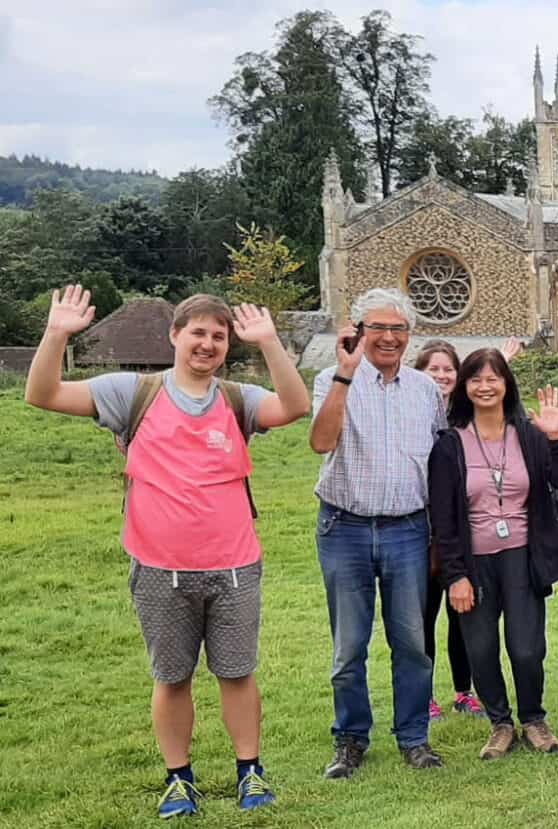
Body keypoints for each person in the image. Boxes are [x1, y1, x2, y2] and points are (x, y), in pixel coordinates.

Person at [24, 287, 310, 817]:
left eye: (218, 336)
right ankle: (179, 779)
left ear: (228, 346)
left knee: (237, 672)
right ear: (175, 335)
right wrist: (57, 332)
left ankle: (250, 772)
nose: (207, 344)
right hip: (159, 568)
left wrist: (270, 343)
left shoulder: (236, 399)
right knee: (172, 676)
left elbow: (294, 406)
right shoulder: (131, 391)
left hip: (234, 564)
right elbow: (42, 394)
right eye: (197, 332)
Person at [310, 288, 448, 778]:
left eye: (398, 329)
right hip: (344, 527)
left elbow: (438, 466)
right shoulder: (332, 378)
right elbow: (321, 441)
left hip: (408, 530)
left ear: (410, 337)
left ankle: (414, 738)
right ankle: (350, 739)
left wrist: (439, 539)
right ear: (358, 331)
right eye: (378, 328)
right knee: (349, 646)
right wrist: (346, 373)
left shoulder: (425, 390)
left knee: (411, 641)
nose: (389, 338)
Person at [428, 349, 558, 759]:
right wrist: (455, 576)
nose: (485, 386)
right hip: (474, 563)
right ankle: (500, 723)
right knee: (480, 649)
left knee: (527, 648)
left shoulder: (529, 435)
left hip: (523, 558)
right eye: (475, 379)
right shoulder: (449, 445)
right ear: (465, 387)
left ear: (506, 384)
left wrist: (556, 436)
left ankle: (533, 718)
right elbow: (443, 519)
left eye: (493, 378)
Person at [412, 341, 484, 722]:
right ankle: (423, 696)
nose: (441, 376)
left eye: (447, 370)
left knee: (462, 615)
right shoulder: (409, 414)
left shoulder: (464, 420)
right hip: (419, 531)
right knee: (422, 617)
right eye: (433, 369)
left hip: (459, 531)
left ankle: (464, 691)